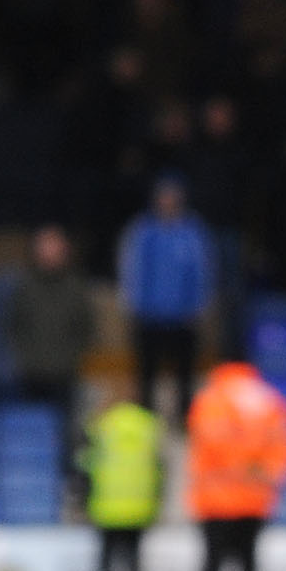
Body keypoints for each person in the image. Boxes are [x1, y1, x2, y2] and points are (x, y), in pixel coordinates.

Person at [186, 360, 286, 571]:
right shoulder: (269, 400)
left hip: (214, 498)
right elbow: (285, 444)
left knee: (213, 561)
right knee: (247, 561)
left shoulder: (211, 398)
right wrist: (263, 472)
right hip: (254, 497)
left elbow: (204, 441)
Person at [119, 176, 213, 418]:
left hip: (184, 318)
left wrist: (198, 306)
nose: (168, 201)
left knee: (185, 377)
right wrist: (134, 306)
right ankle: (145, 425)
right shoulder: (143, 231)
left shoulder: (192, 232)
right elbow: (132, 271)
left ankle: (185, 421)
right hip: (149, 317)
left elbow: (202, 272)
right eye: (164, 196)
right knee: (146, 377)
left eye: (173, 196)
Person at [79, 388, 164, 571]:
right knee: (134, 566)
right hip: (139, 507)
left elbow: (86, 464)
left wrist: (83, 501)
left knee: (107, 567)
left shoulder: (101, 426)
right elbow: (159, 467)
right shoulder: (149, 425)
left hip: (106, 507)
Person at [6, 223, 95, 438]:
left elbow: (86, 328)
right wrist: (25, 357)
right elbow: (13, 325)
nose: (50, 251)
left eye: (55, 245)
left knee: (65, 431)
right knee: (31, 432)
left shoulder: (76, 286)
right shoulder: (24, 286)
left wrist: (70, 357)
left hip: (65, 372)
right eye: (45, 245)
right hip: (31, 373)